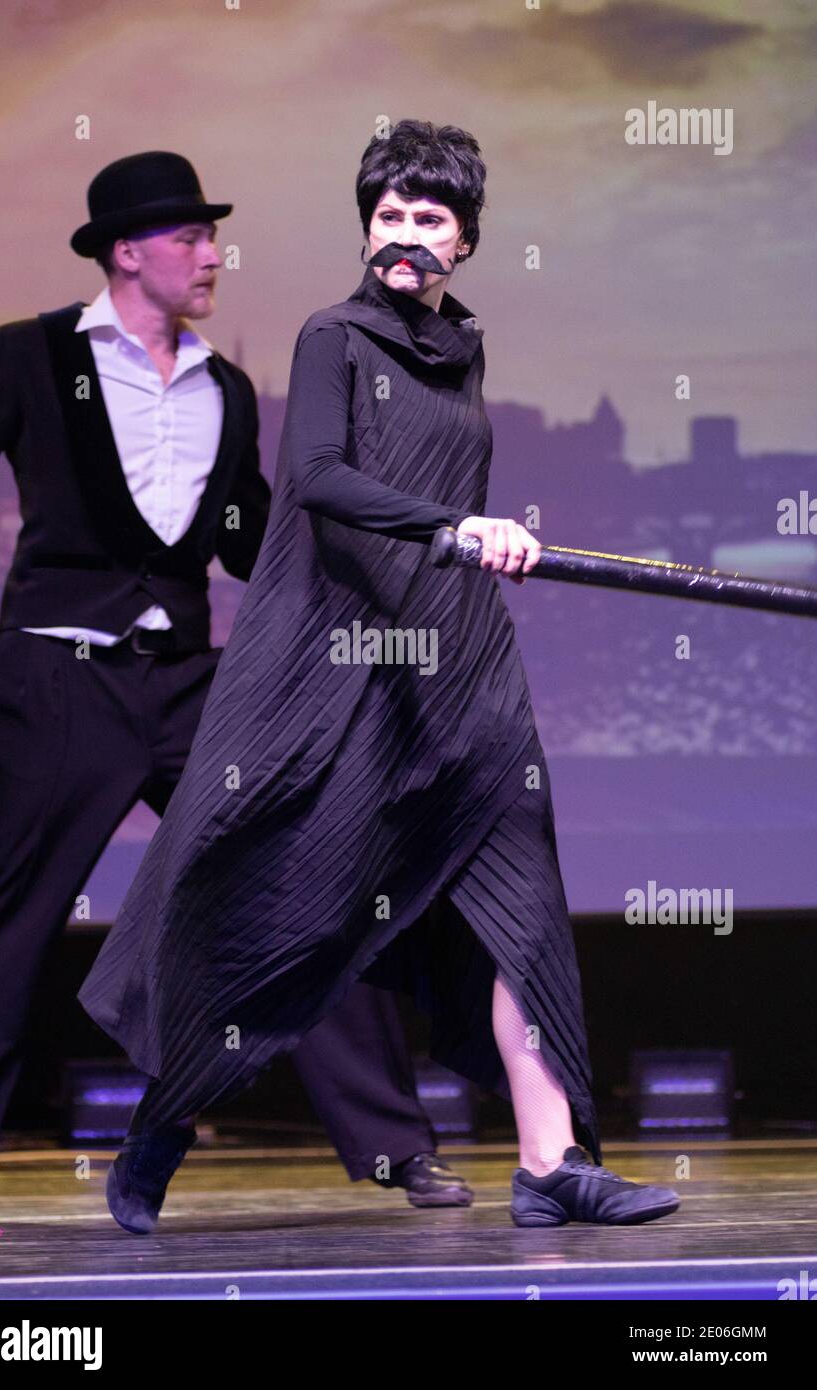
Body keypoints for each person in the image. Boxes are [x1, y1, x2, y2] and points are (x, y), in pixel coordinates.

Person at [79, 124, 680, 1231]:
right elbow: (314, 478)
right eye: (389, 215)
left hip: (466, 669)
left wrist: (467, 549)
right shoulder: (332, 338)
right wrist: (459, 529)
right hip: (345, 665)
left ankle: (550, 1165)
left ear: (466, 240)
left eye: (428, 218)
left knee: (525, 913)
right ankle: (167, 1110)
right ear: (367, 227)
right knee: (279, 905)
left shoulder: (463, 351)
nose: (404, 235)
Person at [0, 150, 472, 1213]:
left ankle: (389, 1143)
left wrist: (402, 549)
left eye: (209, 235)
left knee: (302, 876)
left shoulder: (225, 388)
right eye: (188, 237)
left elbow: (248, 538)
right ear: (125, 252)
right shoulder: (27, 356)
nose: (209, 255)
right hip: (58, 679)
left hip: (189, 687)